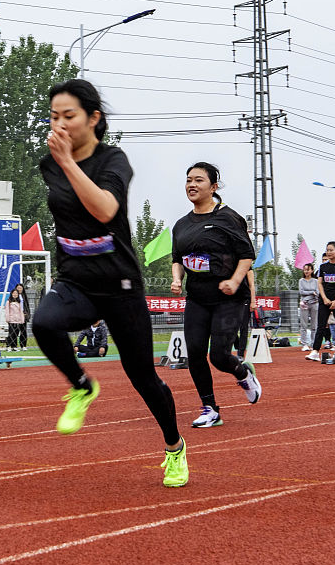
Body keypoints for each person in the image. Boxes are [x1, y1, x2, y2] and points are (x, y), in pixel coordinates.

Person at [30, 79, 187, 486]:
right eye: (53, 116)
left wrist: (68, 163)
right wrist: (62, 162)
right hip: (75, 280)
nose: (59, 124)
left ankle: (174, 447)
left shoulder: (113, 160)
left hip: (120, 285)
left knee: (143, 378)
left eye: (69, 115)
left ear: (93, 118)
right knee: (43, 323)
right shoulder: (49, 163)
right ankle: (82, 386)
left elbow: (104, 211)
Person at [169, 161, 260, 430]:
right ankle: (210, 409)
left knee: (219, 356)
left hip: (229, 298)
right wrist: (177, 279)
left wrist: (234, 280)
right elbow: (178, 259)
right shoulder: (181, 225)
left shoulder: (228, 218)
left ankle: (243, 372)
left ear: (213, 186)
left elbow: (247, 255)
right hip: (197, 298)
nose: (192, 185)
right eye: (189, 180)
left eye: (198, 180)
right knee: (195, 353)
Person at [307, 243, 335, 362]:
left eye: (331, 250)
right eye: (327, 250)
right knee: (321, 326)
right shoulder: (322, 266)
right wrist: (324, 298)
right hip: (324, 300)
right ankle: (315, 351)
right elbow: (319, 283)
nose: (329, 252)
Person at [297, 263, 320, 352]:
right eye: (305, 270)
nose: (306, 271)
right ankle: (304, 344)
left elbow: (317, 292)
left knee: (314, 325)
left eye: (308, 269)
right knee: (304, 324)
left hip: (314, 303)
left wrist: (310, 294)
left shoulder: (316, 281)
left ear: (312, 270)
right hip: (304, 304)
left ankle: (313, 343)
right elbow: (301, 292)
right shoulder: (301, 281)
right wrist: (311, 292)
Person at [13, 282, 31, 349]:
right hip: (16, 316)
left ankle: (23, 345)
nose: (19, 289)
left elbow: (27, 306)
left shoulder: (24, 296)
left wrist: (27, 314)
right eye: (18, 288)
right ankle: (14, 346)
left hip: (23, 316)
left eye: (20, 288)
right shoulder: (13, 296)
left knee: (23, 331)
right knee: (15, 331)